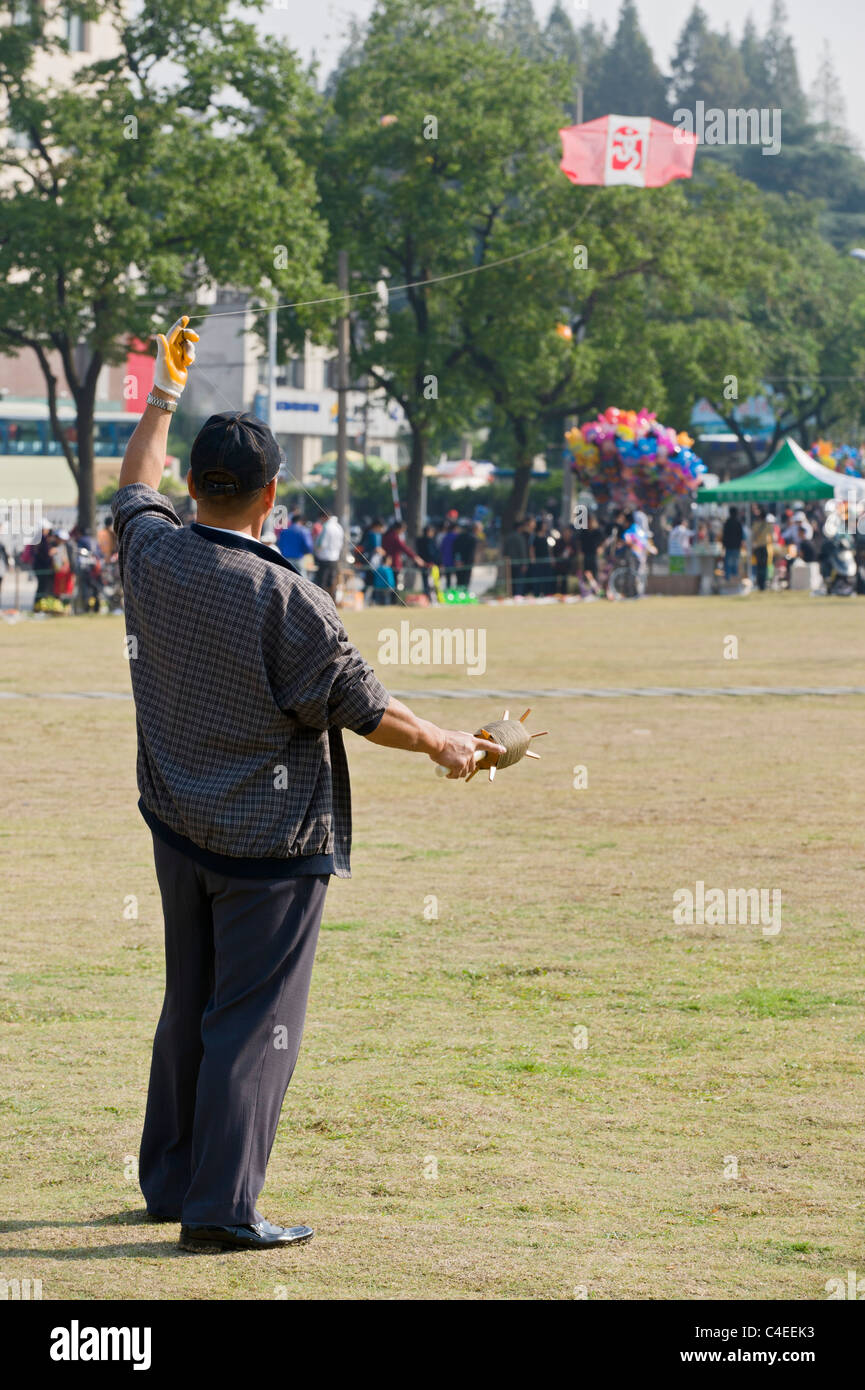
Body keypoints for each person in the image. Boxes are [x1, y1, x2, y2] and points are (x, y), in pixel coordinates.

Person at [111, 315, 505, 1255]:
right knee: (252, 1025)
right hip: (271, 851)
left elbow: (133, 483)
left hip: (176, 827)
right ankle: (221, 1209)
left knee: (189, 1007)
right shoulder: (288, 597)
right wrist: (449, 742)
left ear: (196, 486)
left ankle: (171, 1182)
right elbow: (368, 711)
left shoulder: (151, 552)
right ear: (272, 494)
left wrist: (165, 393)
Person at [313, 511, 344, 597]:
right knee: (332, 581)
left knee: (322, 582)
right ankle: (332, 599)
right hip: (335, 558)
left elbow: (320, 544)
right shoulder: (338, 526)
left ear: (324, 517)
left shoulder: (326, 527)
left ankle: (321, 600)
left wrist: (316, 551)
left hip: (324, 558)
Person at [751, 507, 773, 591]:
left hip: (757, 548)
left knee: (758, 566)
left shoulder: (755, 525)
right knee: (764, 567)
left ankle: (759, 584)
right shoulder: (768, 525)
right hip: (764, 547)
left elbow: (752, 537)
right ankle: (763, 585)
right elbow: (772, 537)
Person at [721, 506, 743, 580]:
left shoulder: (727, 522)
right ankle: (734, 579)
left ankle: (728, 580)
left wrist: (723, 545)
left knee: (728, 564)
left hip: (728, 546)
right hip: (736, 546)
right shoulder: (738, 523)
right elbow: (740, 535)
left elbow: (724, 535)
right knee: (735, 563)